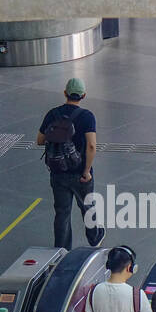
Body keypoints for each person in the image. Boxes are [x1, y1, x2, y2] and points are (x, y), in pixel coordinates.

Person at [36, 78, 104, 249]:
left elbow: (40, 140)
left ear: (65, 93)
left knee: (62, 213)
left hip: (58, 172)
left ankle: (61, 250)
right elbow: (91, 145)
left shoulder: (53, 114)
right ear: (83, 95)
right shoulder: (87, 116)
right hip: (80, 172)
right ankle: (95, 237)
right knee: (87, 206)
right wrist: (87, 171)